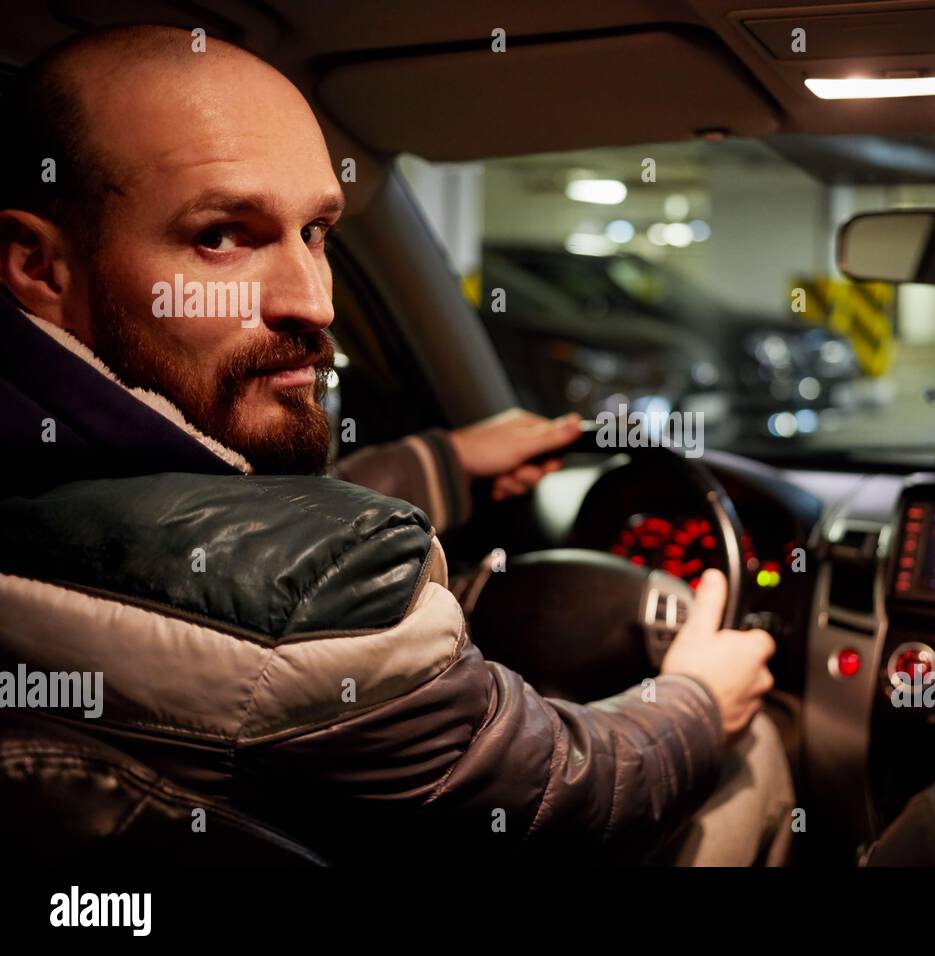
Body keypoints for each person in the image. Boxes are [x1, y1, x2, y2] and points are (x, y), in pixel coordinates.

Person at [0, 24, 792, 864]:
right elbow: (572, 796)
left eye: (317, 233)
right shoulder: (327, 586)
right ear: (40, 267)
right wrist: (703, 694)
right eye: (224, 236)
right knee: (760, 754)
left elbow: (189, 538)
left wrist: (437, 464)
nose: (313, 303)